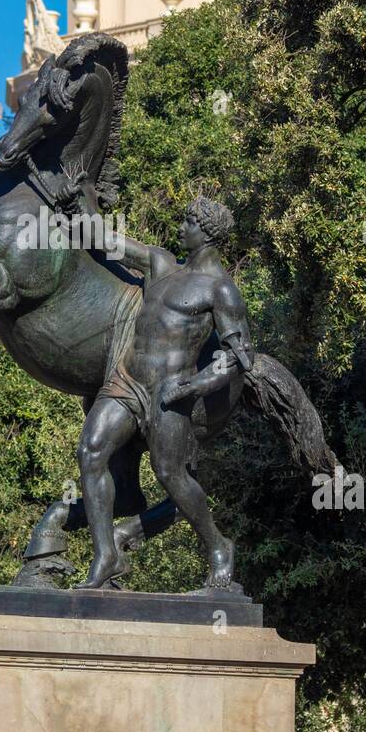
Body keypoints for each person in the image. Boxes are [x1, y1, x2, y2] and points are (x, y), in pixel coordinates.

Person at [76, 196, 253, 589]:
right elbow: (108, 241)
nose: (181, 228)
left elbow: (239, 355)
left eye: (188, 222)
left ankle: (218, 545)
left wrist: (195, 384)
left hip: (170, 391)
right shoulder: (160, 265)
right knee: (90, 450)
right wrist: (77, 206)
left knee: (171, 475)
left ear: (207, 233)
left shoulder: (220, 290)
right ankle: (106, 556)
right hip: (126, 382)